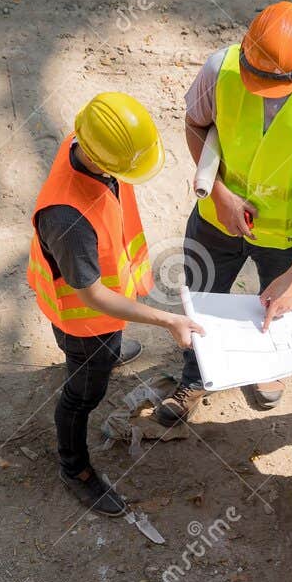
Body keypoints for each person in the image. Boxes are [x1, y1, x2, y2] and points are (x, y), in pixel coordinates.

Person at [156, 0, 292, 426]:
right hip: (217, 219)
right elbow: (195, 125)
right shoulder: (220, 69)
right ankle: (196, 376)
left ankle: (261, 367)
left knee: (275, 307)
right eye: (254, 77)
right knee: (202, 299)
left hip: (289, 237)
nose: (258, 89)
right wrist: (219, 194)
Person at [28, 92, 204, 517]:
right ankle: (74, 468)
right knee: (82, 395)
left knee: (102, 351)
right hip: (87, 321)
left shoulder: (86, 140)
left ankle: (103, 353)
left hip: (96, 308)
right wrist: (168, 321)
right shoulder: (67, 218)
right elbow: (92, 295)